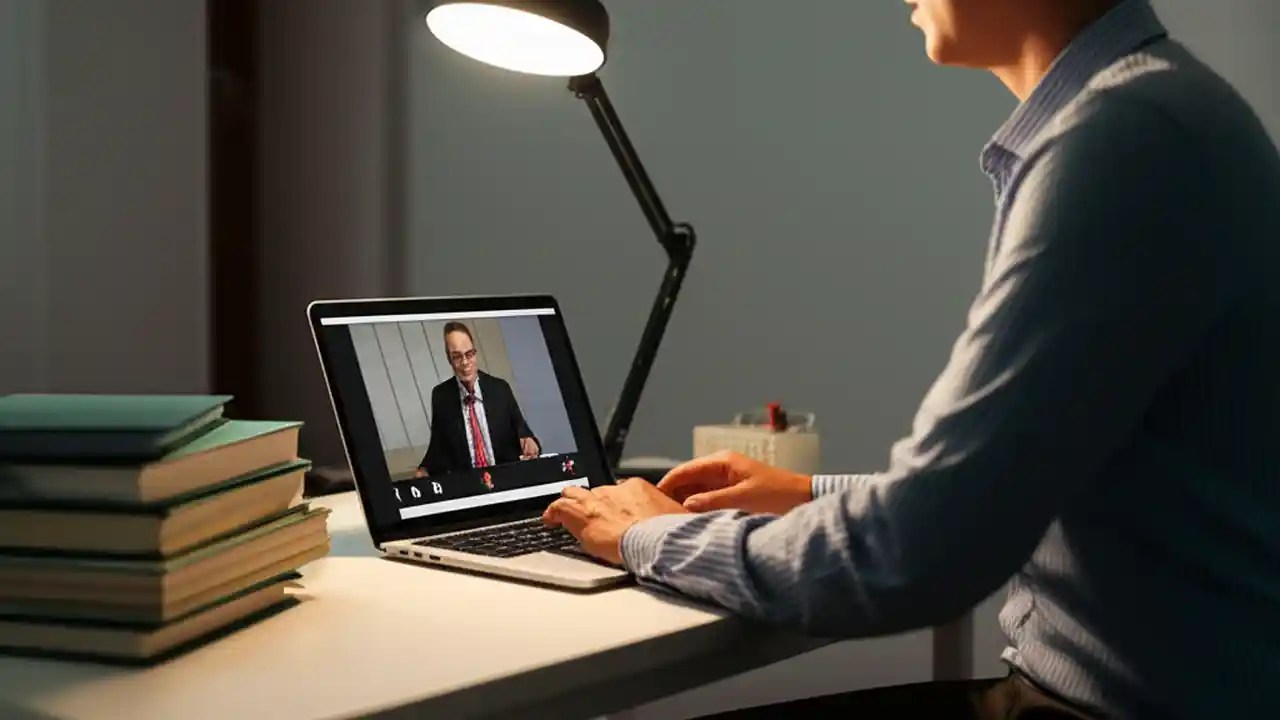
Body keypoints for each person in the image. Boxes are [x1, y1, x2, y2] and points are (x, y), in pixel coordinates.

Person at [542, 1, 1280, 717]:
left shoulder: (1122, 141)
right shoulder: (1156, 111)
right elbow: (1010, 489)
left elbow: (919, 555)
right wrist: (804, 492)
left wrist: (649, 535)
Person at [417, 321, 540, 478]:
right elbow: (438, 448)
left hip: (505, 479)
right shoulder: (441, 396)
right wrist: (424, 469)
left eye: (469, 354)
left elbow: (523, 431)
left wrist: (530, 441)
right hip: (469, 484)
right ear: (449, 359)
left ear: (475, 353)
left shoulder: (500, 389)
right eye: (457, 357)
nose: (465, 362)